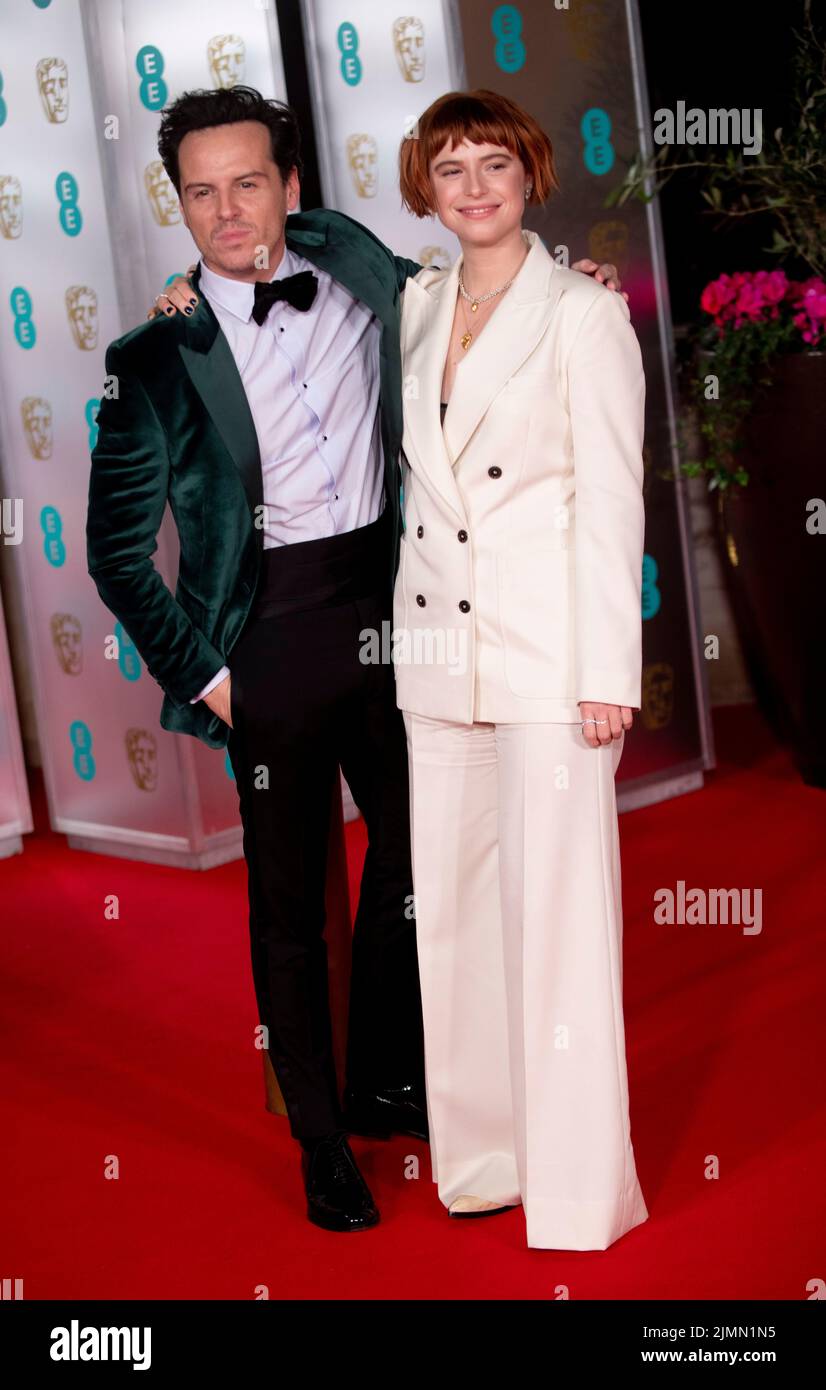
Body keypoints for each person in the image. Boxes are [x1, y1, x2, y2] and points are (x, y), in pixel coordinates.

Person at [106, 85, 623, 1234]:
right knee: (289, 910)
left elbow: (483, 289)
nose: (230, 212)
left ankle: (399, 1076)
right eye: (202, 192)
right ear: (178, 203)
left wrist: (571, 286)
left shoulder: (363, 272)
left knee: (423, 864)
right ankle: (322, 1137)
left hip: (399, 621)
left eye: (250, 183)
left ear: (294, 187)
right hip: (267, 642)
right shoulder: (154, 355)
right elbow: (117, 555)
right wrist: (213, 678)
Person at [391, 90, 649, 1250]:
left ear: (532, 173)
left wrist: (610, 668)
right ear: (424, 189)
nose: (474, 186)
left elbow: (612, 502)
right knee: (450, 923)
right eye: (450, 169)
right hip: (440, 662)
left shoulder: (582, 316)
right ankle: (485, 1158)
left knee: (560, 927)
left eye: (495, 163)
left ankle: (580, 1187)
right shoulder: (414, 303)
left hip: (551, 662)